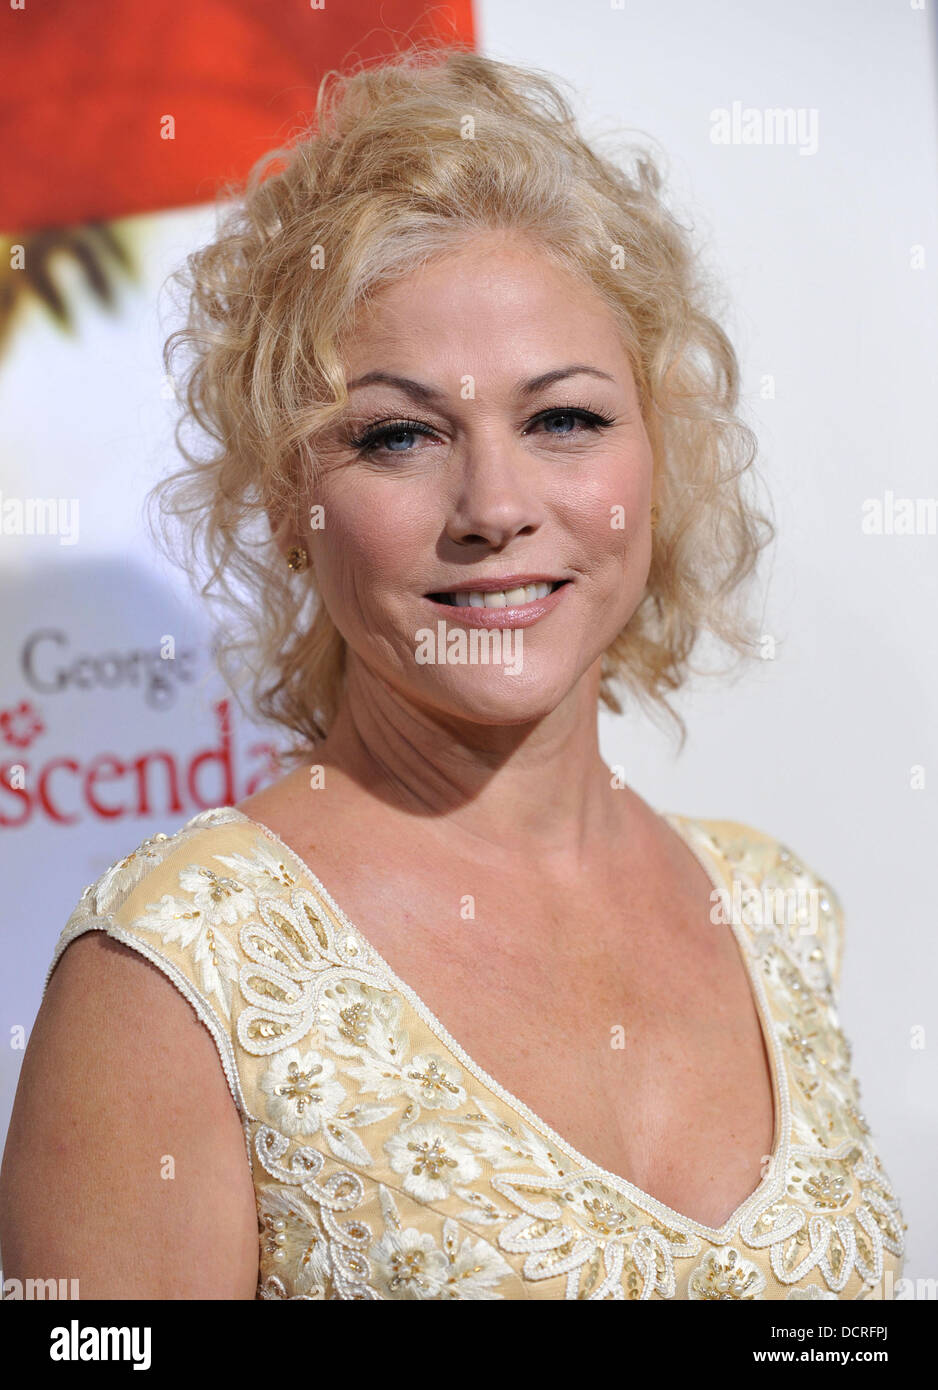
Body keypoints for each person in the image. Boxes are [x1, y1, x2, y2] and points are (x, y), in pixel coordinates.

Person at [0, 46, 905, 1301]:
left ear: (656, 456)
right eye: (399, 435)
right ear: (285, 503)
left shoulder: (773, 912)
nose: (492, 506)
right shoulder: (173, 971)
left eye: (562, 419)